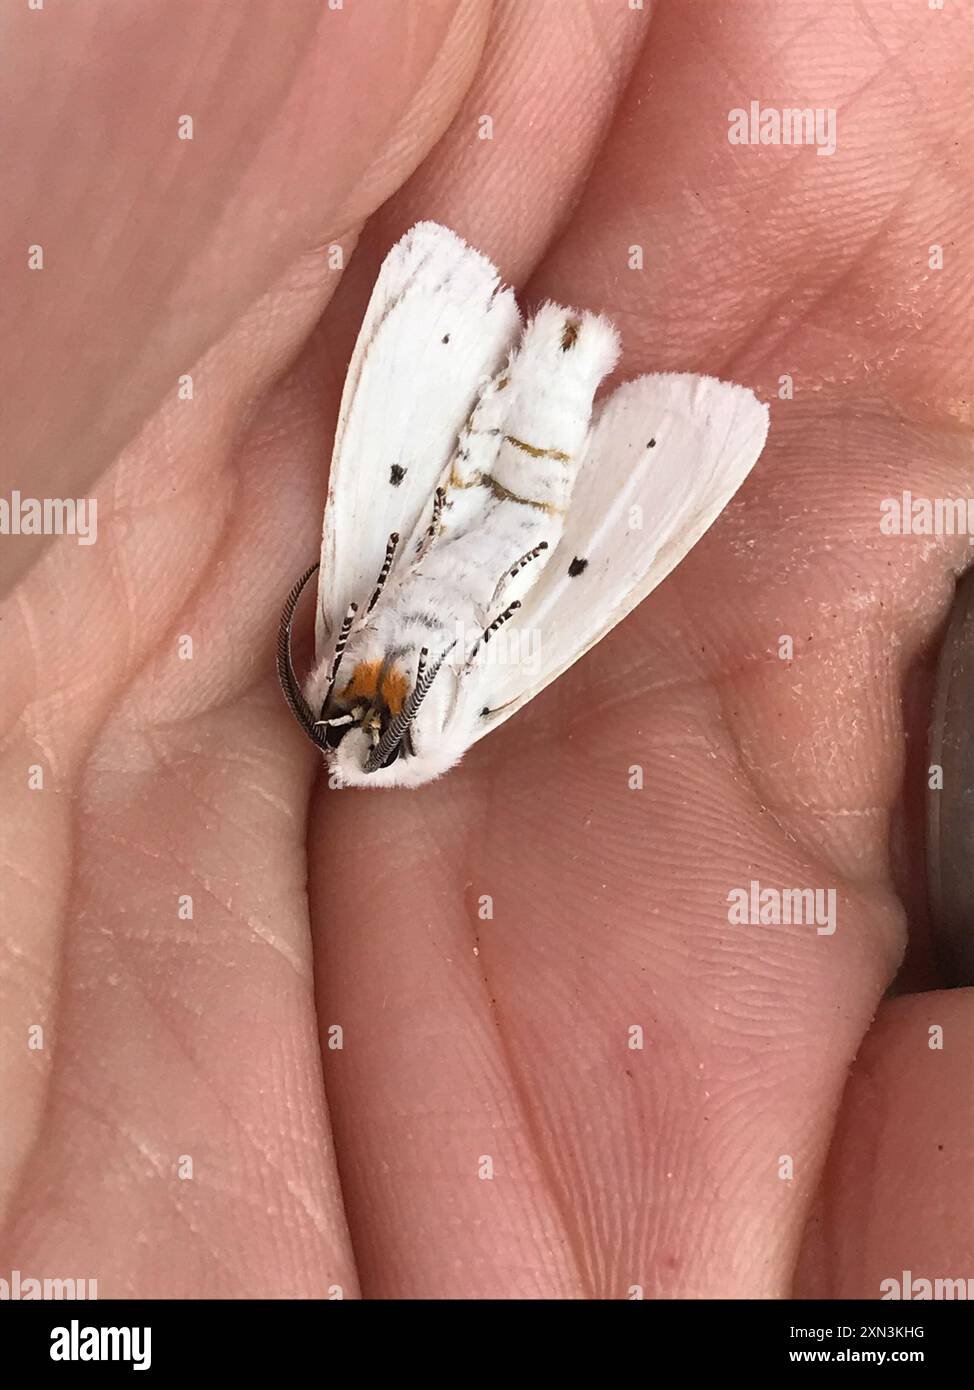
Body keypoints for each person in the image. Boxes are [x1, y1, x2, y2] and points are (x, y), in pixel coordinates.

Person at [1, 0, 971, 1300]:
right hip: (529, 488)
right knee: (573, 520)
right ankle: (555, 377)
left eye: (359, 720)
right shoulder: (443, 701)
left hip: (438, 483)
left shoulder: (348, 656)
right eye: (376, 730)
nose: (369, 712)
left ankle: (548, 374)